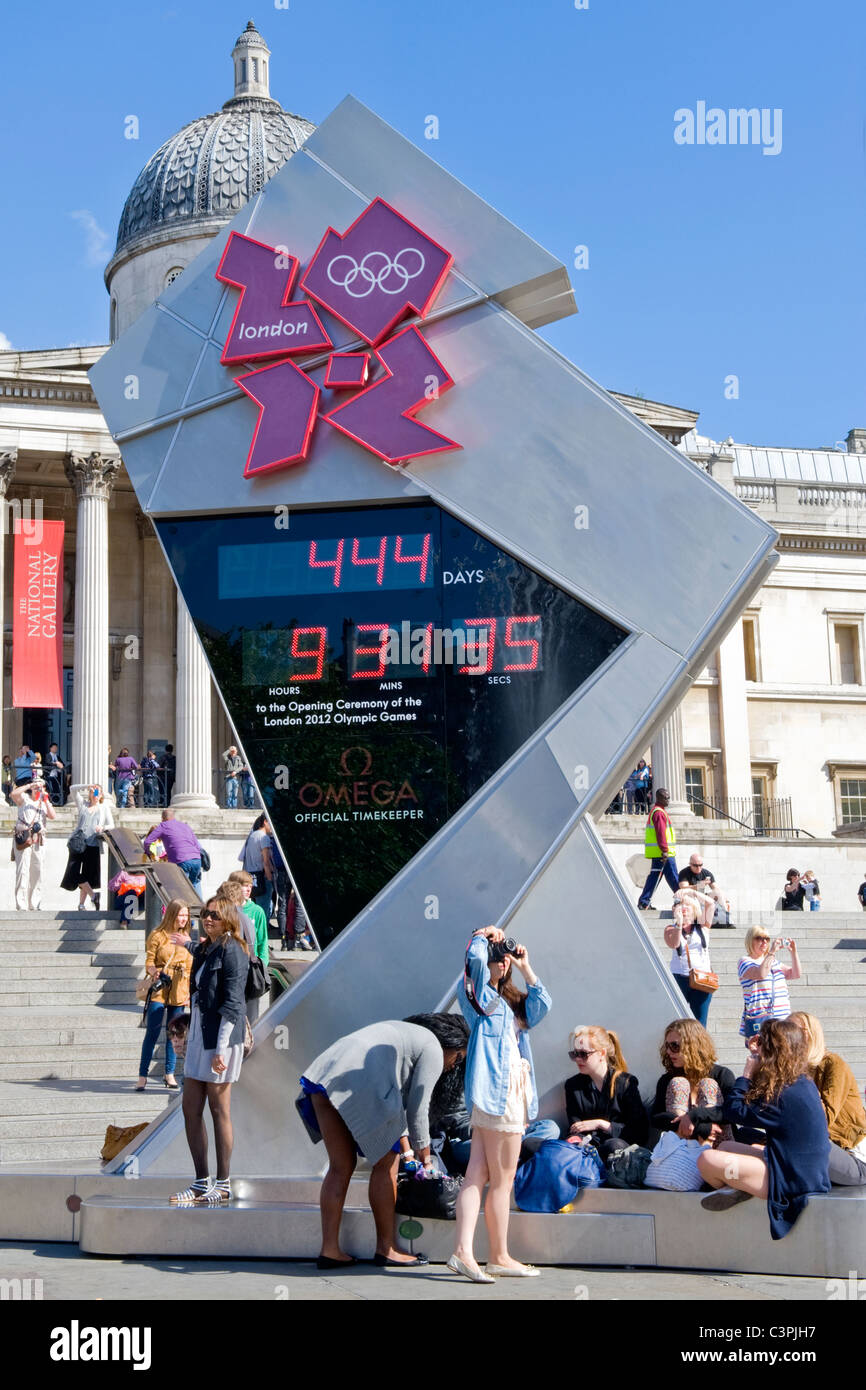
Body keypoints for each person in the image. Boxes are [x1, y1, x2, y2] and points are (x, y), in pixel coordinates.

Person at [299, 1012, 468, 1269]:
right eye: (458, 1058)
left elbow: (394, 1109)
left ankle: (330, 1249)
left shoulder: (405, 1034)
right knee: (387, 1166)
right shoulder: (433, 1047)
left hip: (323, 1076)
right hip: (359, 1083)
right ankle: (387, 1248)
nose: (453, 1066)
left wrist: (408, 1150)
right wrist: (426, 1160)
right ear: (452, 1044)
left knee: (340, 1166)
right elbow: (417, 1110)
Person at [450, 926, 551, 1282]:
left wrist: (525, 967)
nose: (502, 961)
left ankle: (473, 1252)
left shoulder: (510, 1004)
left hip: (508, 1094)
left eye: (504, 957)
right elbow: (474, 959)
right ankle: (495, 1254)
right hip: (499, 1093)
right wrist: (482, 936)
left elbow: (542, 1006)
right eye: (499, 958)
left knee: (479, 1171)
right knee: (503, 1178)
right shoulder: (478, 999)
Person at [697, 1017, 830, 1238]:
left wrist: (748, 1072)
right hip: (802, 1171)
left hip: (791, 1183)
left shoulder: (784, 1095)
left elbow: (734, 1110)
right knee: (726, 1146)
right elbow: (755, 1100)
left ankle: (742, 1187)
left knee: (706, 1160)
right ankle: (740, 1185)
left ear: (771, 1051)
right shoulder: (801, 1082)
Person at [169, 895, 249, 1204]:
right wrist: (184, 942)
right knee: (191, 1108)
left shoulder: (234, 951)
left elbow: (232, 1003)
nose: (208, 919)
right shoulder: (207, 948)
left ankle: (224, 1182)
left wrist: (221, 1048)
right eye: (205, 914)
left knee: (219, 1110)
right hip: (200, 1036)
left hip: (222, 1039)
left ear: (228, 918)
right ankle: (201, 1181)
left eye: (214, 915)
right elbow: (197, 957)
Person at [790, 1012, 866, 1185]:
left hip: (854, 1157)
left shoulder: (833, 1063)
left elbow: (823, 1120)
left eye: (789, 1030)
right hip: (822, 1152)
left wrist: (801, 1080)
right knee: (747, 1136)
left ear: (807, 1034)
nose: (784, 1036)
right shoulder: (793, 1072)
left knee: (796, 1141)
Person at [564, 1024, 648, 1160]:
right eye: (575, 1054)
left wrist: (601, 1124)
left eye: (583, 1054)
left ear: (602, 1053)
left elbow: (639, 1132)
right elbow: (575, 1127)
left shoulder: (625, 1083)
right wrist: (574, 1140)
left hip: (617, 1152)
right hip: (587, 1149)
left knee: (613, 1146)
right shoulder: (573, 1086)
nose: (578, 1059)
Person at [136, 899, 193, 1092]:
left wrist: (189, 992)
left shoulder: (187, 938)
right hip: (160, 986)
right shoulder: (158, 935)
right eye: (181, 915)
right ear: (171, 914)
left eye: (186, 915)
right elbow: (149, 961)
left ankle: (169, 1073)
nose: (184, 919)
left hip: (179, 987)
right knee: (152, 1031)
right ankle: (142, 1075)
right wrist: (154, 972)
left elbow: (192, 967)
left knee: (175, 1033)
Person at [650, 1018, 736, 1138]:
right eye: (667, 1046)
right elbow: (656, 1117)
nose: (669, 1051)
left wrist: (696, 1116)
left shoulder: (722, 1075)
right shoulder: (667, 1079)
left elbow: (732, 1112)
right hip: (684, 1142)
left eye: (674, 1046)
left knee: (708, 1084)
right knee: (678, 1083)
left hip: (717, 1142)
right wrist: (691, 1125)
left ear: (693, 1046)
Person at [738, 926, 801, 1046]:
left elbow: (795, 974)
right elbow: (761, 974)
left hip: (782, 1015)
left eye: (767, 938)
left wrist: (793, 952)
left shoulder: (773, 961)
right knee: (763, 1055)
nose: (764, 942)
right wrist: (771, 952)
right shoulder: (745, 961)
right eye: (759, 938)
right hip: (761, 1018)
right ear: (750, 940)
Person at [663, 888, 715, 1026]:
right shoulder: (670, 928)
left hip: (702, 977)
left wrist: (691, 892)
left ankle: (699, 1047)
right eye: (680, 905)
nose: (683, 908)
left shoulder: (702, 926)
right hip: (680, 976)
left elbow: (711, 903)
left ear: (694, 909)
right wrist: (679, 924)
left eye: (687, 905)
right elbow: (674, 943)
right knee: (676, 1018)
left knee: (699, 1019)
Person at [61, 783, 114, 909]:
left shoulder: (103, 808)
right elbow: (72, 789)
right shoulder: (83, 804)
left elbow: (111, 825)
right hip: (78, 843)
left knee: (87, 875)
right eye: (93, 792)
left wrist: (102, 827)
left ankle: (81, 904)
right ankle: (94, 896)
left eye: (98, 792)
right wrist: (88, 785)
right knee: (73, 872)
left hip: (93, 844)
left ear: (101, 795)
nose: (95, 794)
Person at [11, 777, 56, 910]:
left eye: (41, 786)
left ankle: (34, 903)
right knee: (22, 871)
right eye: (36, 787)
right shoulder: (24, 799)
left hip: (39, 839)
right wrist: (31, 785)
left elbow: (53, 816)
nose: (38, 789)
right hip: (24, 838)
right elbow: (13, 794)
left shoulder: (44, 803)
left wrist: (46, 799)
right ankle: (21, 903)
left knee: (37, 871)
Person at [143, 809, 205, 893]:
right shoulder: (185, 826)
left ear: (162, 818)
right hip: (197, 860)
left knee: (181, 890)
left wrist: (148, 852)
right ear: (174, 817)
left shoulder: (163, 826)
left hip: (182, 861)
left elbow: (147, 841)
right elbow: (197, 845)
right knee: (192, 891)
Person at [638, 788, 680, 910]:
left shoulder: (657, 811)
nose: (668, 800)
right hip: (663, 853)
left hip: (659, 852)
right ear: (659, 798)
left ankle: (644, 901)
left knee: (655, 876)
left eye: (669, 797)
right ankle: (682, 899)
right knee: (673, 876)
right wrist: (665, 850)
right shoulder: (659, 813)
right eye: (666, 797)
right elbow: (660, 833)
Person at [240, 813, 274, 921]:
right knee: (263, 909)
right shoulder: (264, 838)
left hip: (250, 876)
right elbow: (266, 862)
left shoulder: (252, 835)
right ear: (265, 822)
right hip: (262, 877)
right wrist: (270, 879)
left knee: (252, 908)